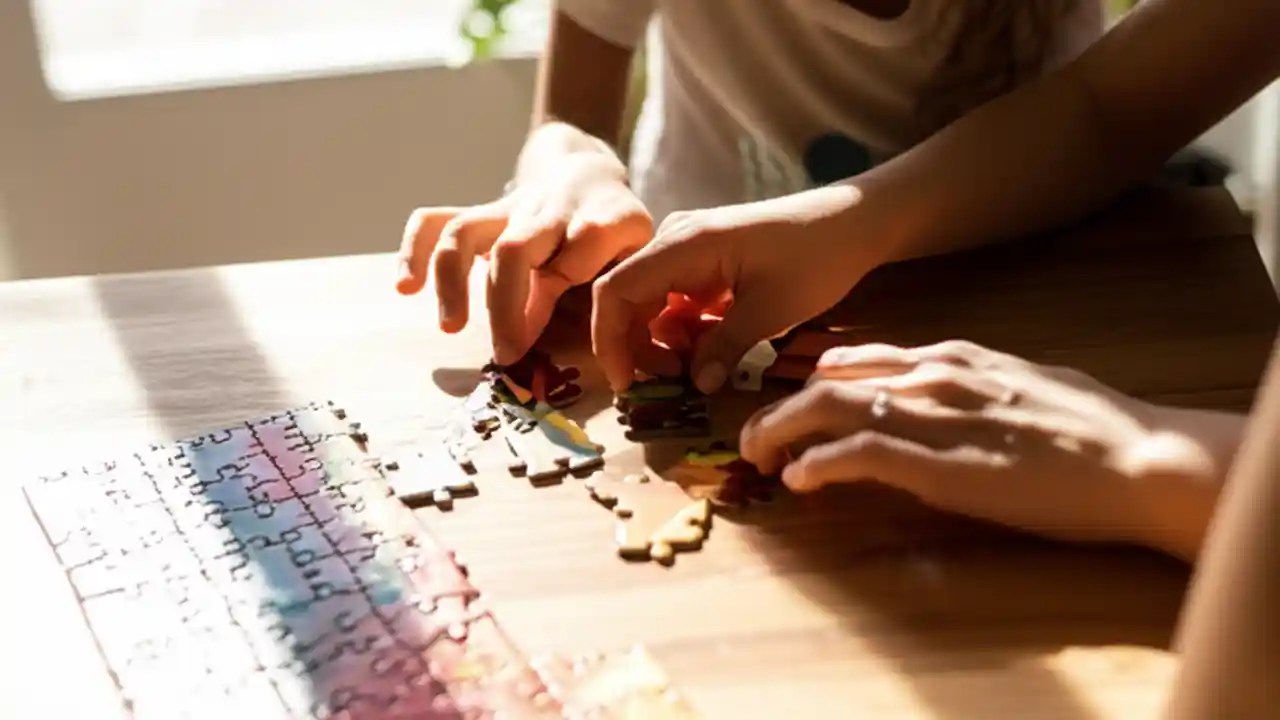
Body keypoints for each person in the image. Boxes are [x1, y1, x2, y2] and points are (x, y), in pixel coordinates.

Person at [397, 0, 1103, 365]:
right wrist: (567, 162)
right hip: (693, 331)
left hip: (983, 331)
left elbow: (1080, 142)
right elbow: (570, 118)